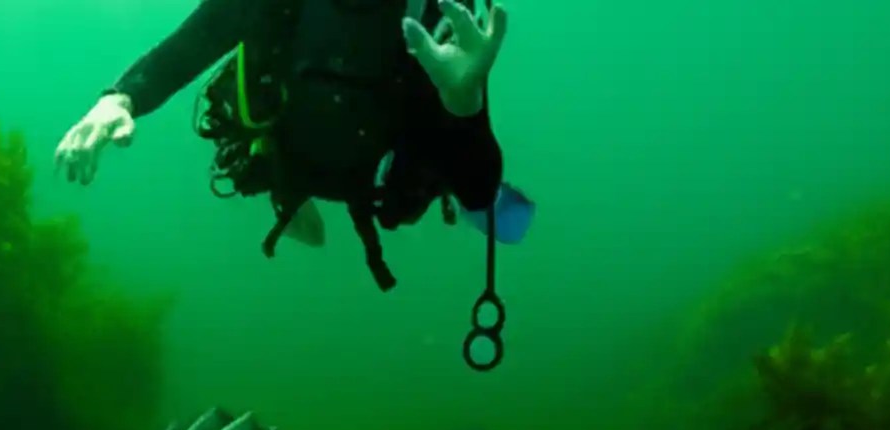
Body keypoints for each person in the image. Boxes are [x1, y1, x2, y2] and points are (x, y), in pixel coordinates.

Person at [55, 0, 534, 370]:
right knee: (264, 157)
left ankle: (301, 194)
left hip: (384, 176)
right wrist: (119, 99)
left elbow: (477, 190)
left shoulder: (439, 16)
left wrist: (463, 101)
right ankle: (288, 194)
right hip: (285, 152)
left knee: (434, 184)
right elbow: (193, 43)